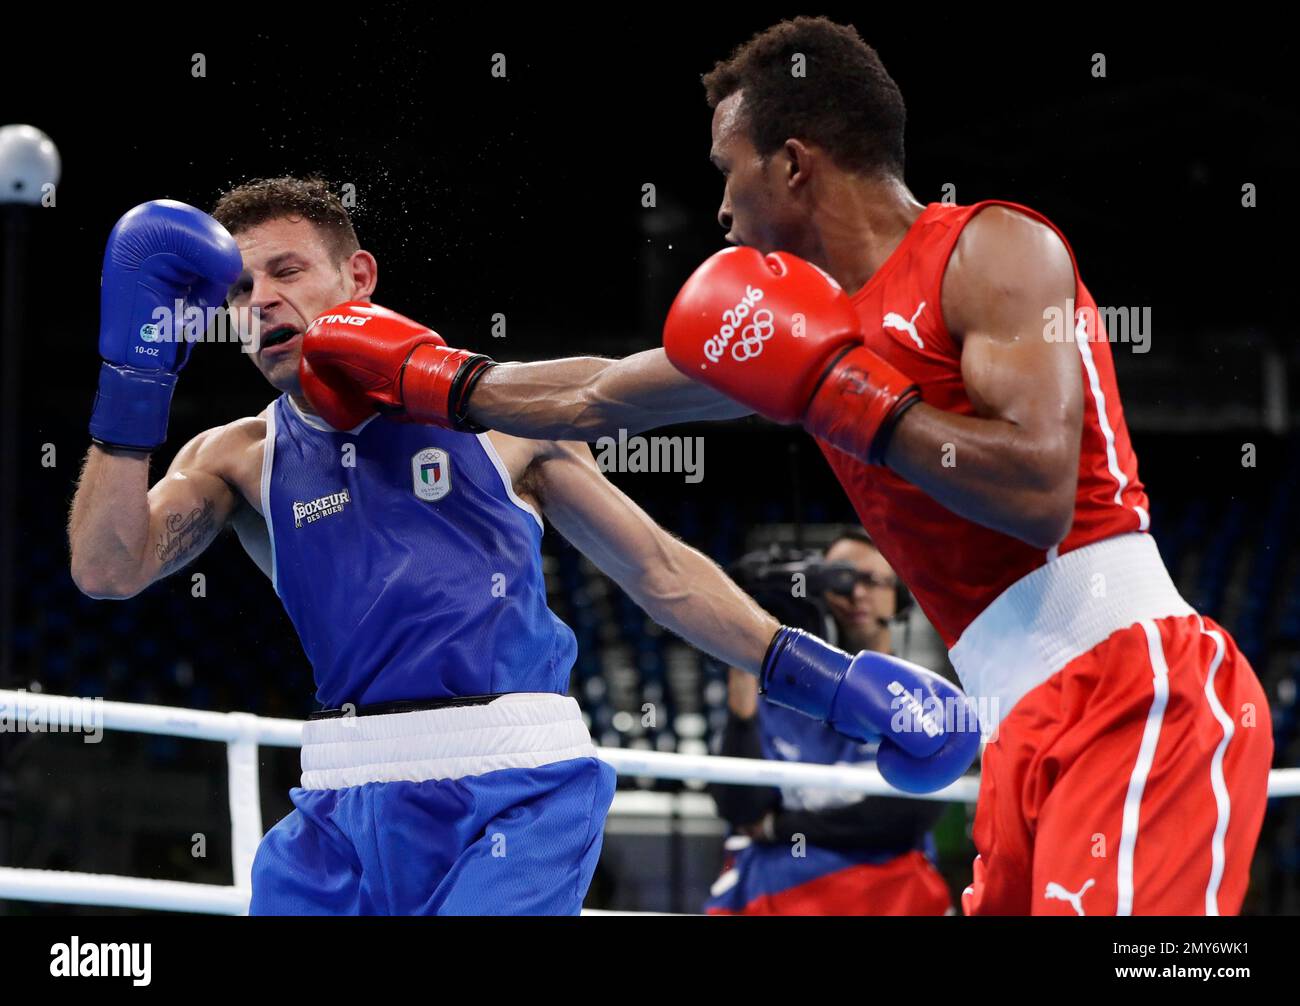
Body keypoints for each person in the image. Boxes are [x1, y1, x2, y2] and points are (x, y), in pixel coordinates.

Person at [298, 18, 1273, 915]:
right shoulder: (803, 336)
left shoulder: (989, 250)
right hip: (1023, 724)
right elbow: (594, 397)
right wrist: (423, 375)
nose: (720, 208)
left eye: (729, 170)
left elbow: (1037, 491)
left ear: (794, 165)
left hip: (1136, 685)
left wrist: (842, 394)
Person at [66, 179, 978, 915]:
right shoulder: (240, 454)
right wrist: (131, 382)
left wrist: (832, 683)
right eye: (235, 291)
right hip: (340, 796)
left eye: (287, 271)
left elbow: (658, 569)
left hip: (514, 787)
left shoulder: (493, 416)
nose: (260, 302)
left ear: (358, 279)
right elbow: (107, 569)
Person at [706, 528, 951, 915]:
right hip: (780, 897)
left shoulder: (922, 703)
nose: (856, 594)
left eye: (871, 580)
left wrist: (778, 828)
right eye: (842, 579)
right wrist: (742, 657)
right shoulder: (777, 696)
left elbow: (907, 817)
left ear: (899, 596)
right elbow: (740, 809)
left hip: (889, 899)